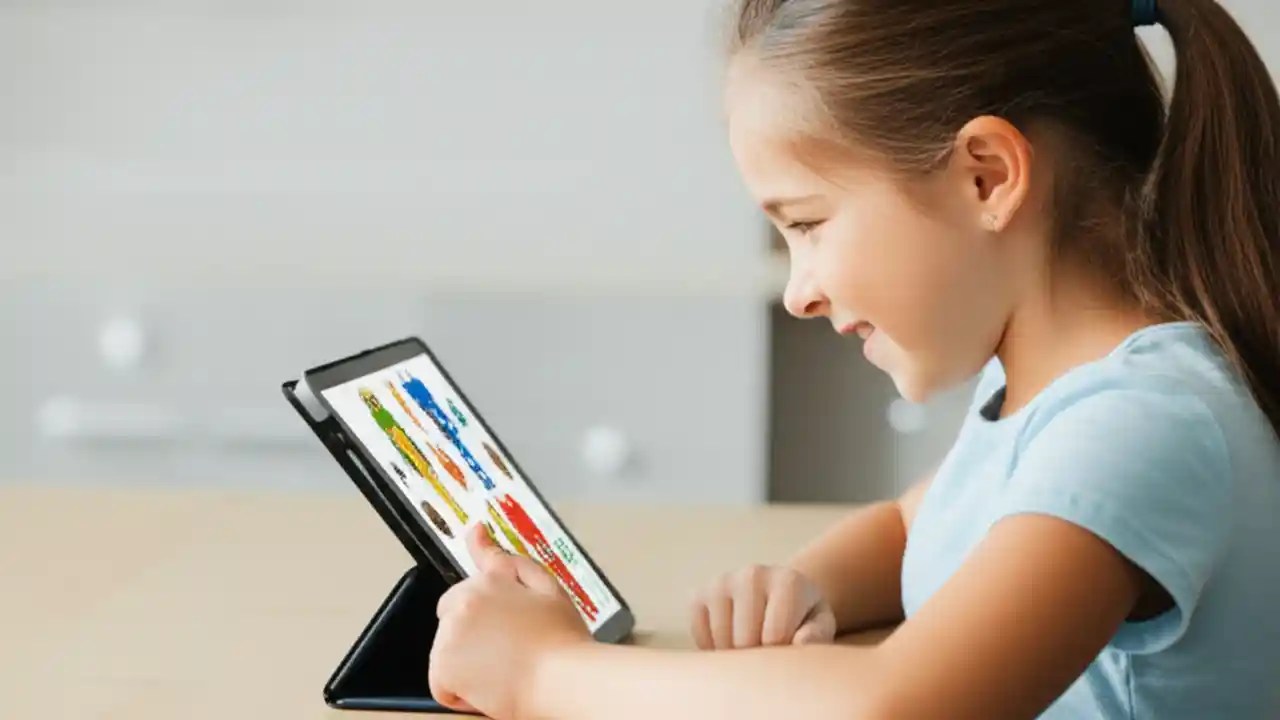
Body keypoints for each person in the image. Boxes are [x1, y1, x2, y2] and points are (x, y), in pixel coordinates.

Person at [426, 0, 1280, 716]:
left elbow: (894, 707)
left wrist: (543, 673)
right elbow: (920, 522)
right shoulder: (1051, 392)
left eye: (806, 223)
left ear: (986, 176)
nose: (799, 292)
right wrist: (809, 582)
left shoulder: (1143, 424)